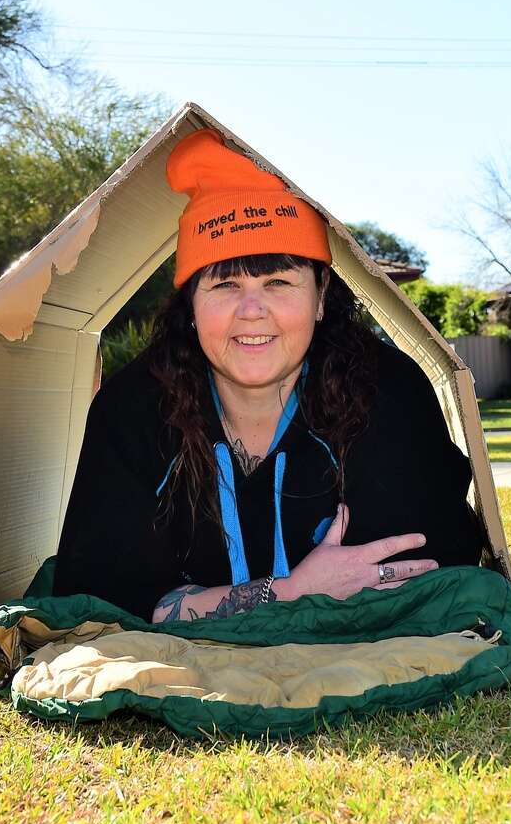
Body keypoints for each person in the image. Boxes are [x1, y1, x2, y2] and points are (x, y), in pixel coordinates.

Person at [53, 129, 488, 622]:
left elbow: (432, 565)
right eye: (225, 284)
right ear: (191, 305)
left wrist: (185, 600)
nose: (252, 311)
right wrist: (291, 592)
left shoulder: (385, 394)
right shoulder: (132, 409)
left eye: (278, 282)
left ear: (322, 295)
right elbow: (90, 595)